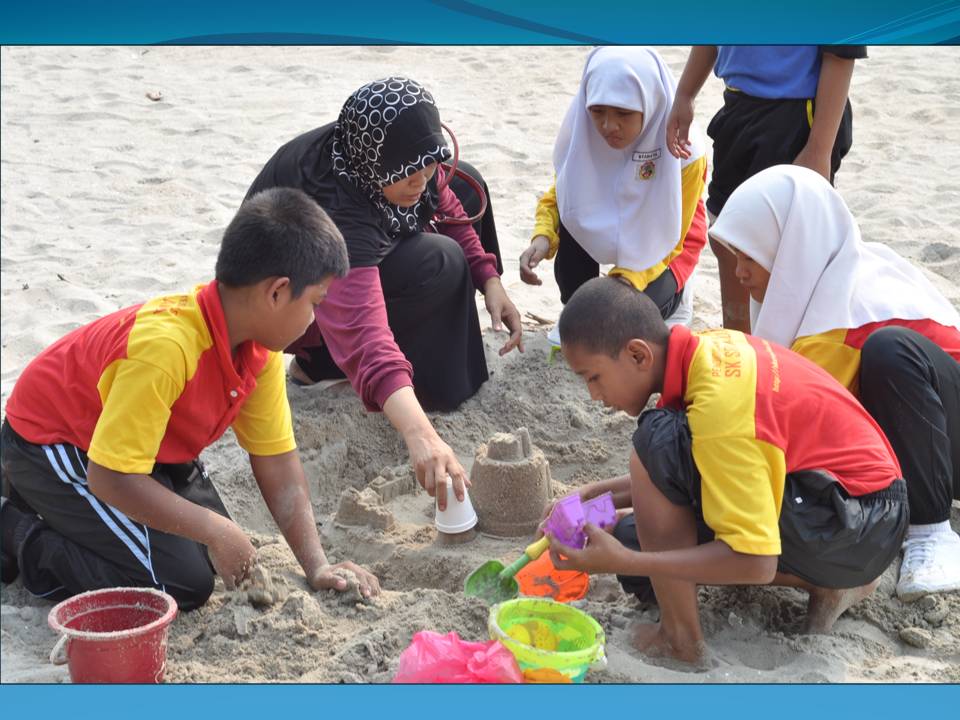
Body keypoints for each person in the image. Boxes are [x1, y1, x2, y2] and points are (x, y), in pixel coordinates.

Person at [0, 188, 380, 609]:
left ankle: (50, 506)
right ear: (276, 293)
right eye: (315, 302)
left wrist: (317, 565)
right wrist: (219, 531)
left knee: (205, 555)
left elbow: (275, 459)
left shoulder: (259, 348)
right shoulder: (167, 350)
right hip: (53, 442)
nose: (315, 319)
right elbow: (108, 477)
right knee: (180, 583)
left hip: (142, 448)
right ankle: (15, 527)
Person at [545, 277, 907, 664]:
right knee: (638, 535)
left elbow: (756, 561)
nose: (594, 396)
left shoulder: (720, 406)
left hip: (859, 518)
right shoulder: (706, 350)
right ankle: (832, 582)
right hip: (856, 510)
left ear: (638, 355)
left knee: (654, 448)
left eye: (593, 377)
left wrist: (624, 562)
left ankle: (680, 640)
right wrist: (590, 497)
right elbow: (699, 464)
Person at [246, 77, 523, 509]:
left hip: (360, 250)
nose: (422, 180)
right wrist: (421, 435)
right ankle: (319, 366)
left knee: (468, 184)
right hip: (297, 309)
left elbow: (444, 199)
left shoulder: (390, 156)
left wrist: (490, 281)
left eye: (428, 166)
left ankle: (439, 352)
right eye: (409, 174)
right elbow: (363, 331)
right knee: (440, 260)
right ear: (374, 165)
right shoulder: (336, 208)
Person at [709, 164, 960, 601]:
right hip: (923, 440)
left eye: (752, 257)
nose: (740, 273)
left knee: (889, 350)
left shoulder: (847, 314)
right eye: (737, 257)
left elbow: (793, 418)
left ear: (790, 252)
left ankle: (932, 532)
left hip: (945, 444)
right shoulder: (826, 273)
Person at [666, 45, 866, 332]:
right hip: (738, 104)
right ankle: (738, 337)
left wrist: (819, 149)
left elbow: (841, 48)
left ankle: (786, 345)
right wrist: (685, 94)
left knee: (787, 244)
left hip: (800, 112)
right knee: (727, 232)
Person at [519, 46, 708, 324]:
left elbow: (674, 240)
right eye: (597, 111)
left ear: (650, 102)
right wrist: (542, 237)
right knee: (582, 307)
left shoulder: (684, 156)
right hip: (613, 227)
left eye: (624, 113)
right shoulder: (585, 134)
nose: (608, 126)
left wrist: (629, 279)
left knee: (629, 318)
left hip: (663, 247)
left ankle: (677, 292)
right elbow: (563, 196)